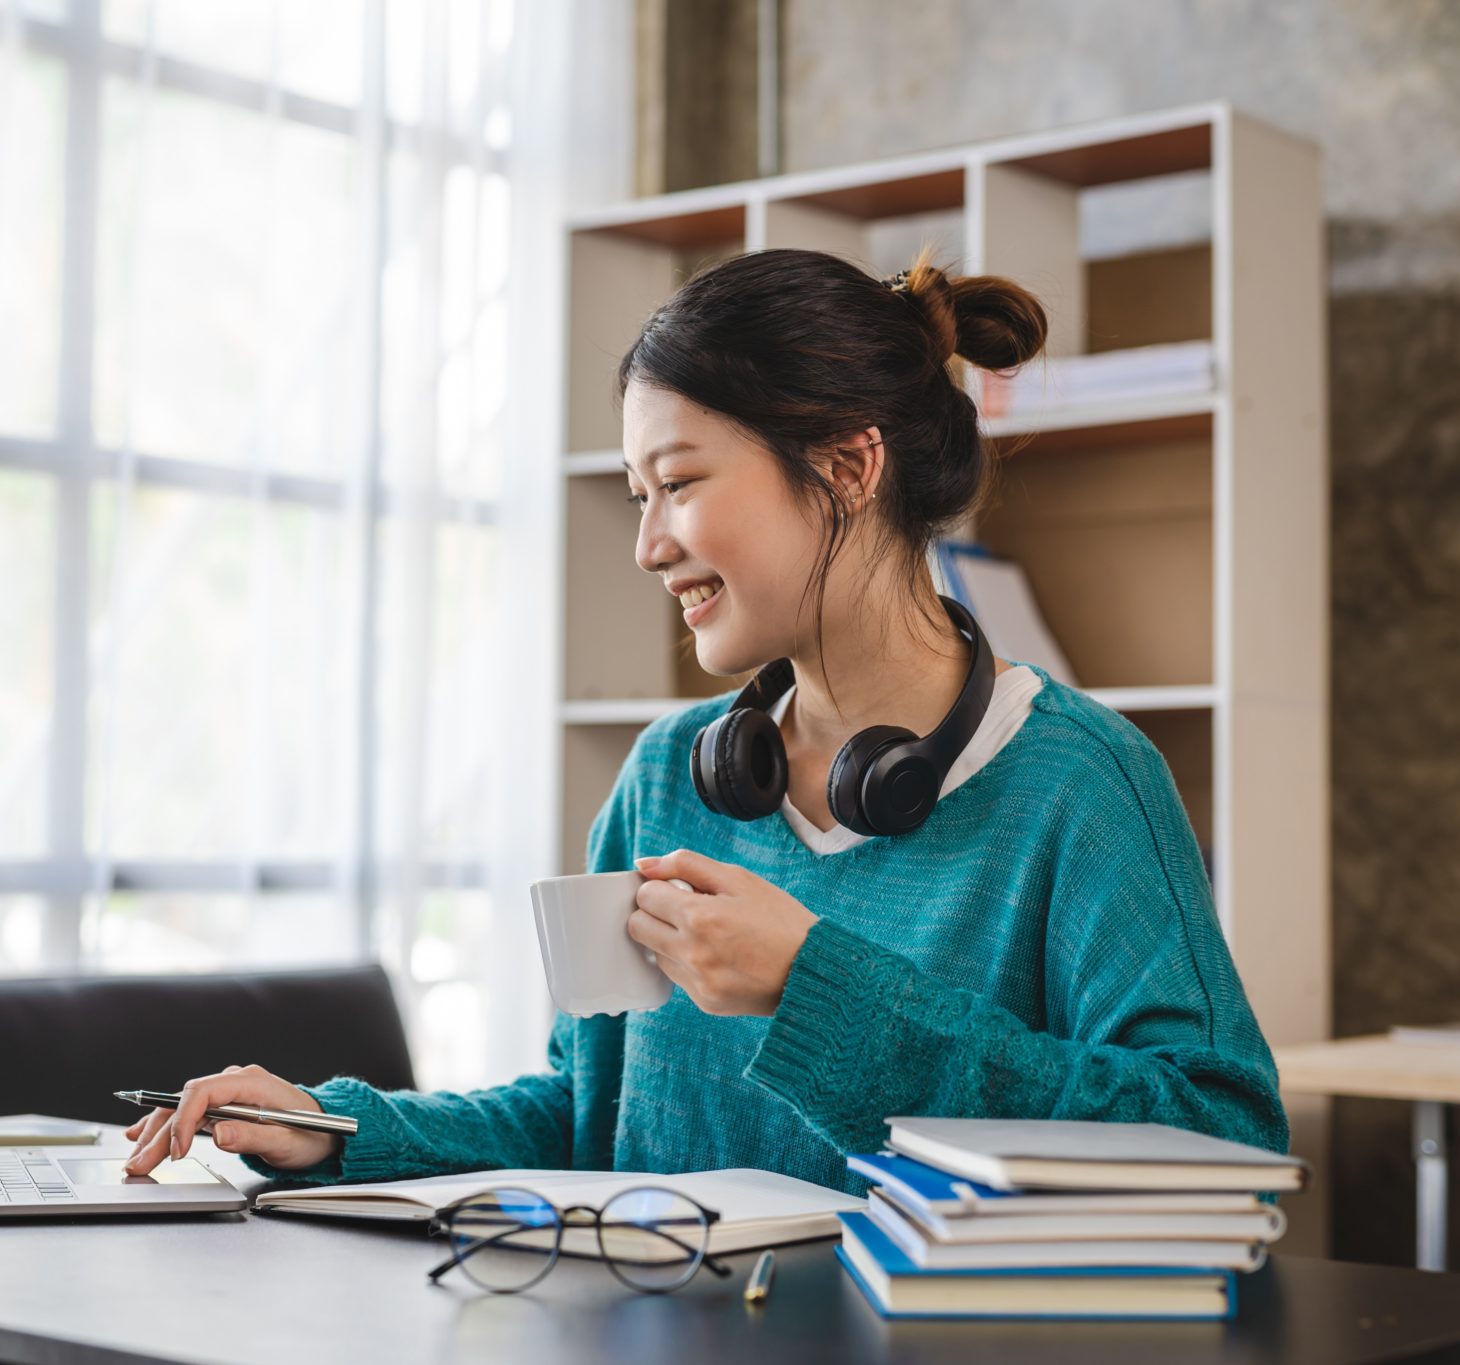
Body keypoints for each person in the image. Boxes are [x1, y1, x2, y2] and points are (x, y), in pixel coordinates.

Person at [123, 244, 1290, 1191]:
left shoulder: (1077, 783)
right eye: (638, 497)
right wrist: (339, 1130)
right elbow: (586, 1118)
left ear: (845, 465)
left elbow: (1219, 1136)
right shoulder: (666, 777)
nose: (646, 546)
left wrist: (814, 987)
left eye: (677, 484)